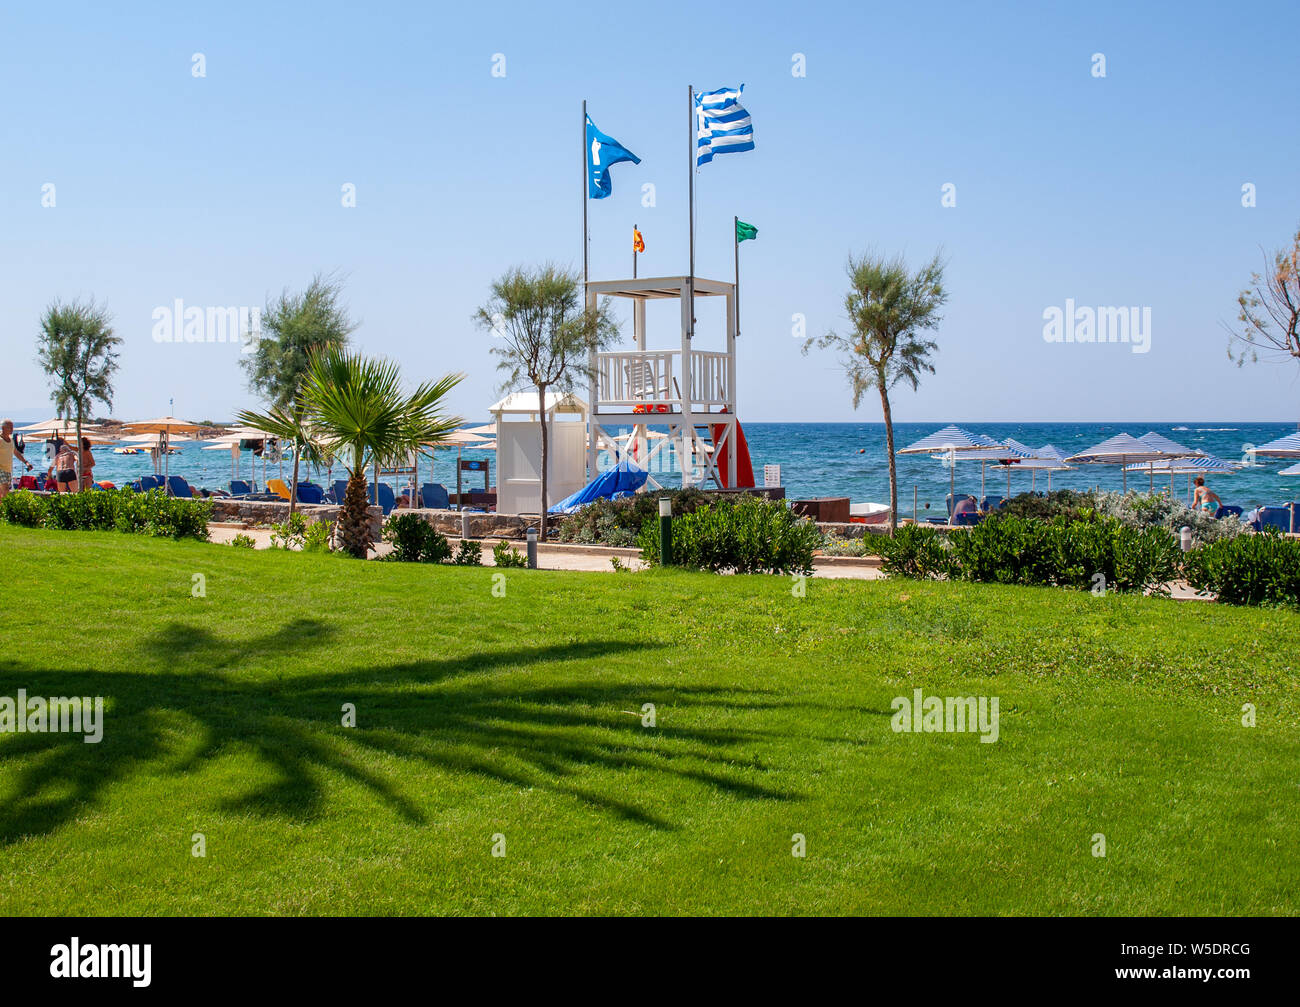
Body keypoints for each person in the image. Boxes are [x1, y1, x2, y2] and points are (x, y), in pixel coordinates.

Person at [0, 419, 35, 499]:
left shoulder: (11, 441)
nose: (12, 429)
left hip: (8, 470)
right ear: (3, 428)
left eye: (12, 427)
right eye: (10, 427)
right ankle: (6, 509)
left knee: (2, 493)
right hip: (0, 469)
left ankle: (2, 510)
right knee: (5, 491)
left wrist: (26, 462)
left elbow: (16, 453)